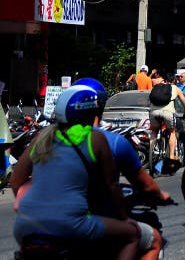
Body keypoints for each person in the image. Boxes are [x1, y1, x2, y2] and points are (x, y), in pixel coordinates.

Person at [11, 86, 141, 260]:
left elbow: (15, 181)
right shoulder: (95, 138)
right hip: (70, 224)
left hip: (24, 225)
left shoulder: (41, 138)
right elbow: (112, 186)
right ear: (91, 114)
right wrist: (123, 218)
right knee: (132, 235)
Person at [74, 78, 172, 260]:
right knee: (153, 240)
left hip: (50, 222)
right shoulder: (112, 141)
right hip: (96, 219)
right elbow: (145, 184)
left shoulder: (48, 140)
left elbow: (19, 182)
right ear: (101, 105)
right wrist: (160, 195)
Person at [149, 73, 185, 163]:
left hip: (153, 112)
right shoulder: (176, 88)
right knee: (172, 132)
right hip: (167, 113)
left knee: (154, 131)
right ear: (174, 81)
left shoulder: (157, 87)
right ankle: (171, 156)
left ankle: (151, 152)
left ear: (165, 80)